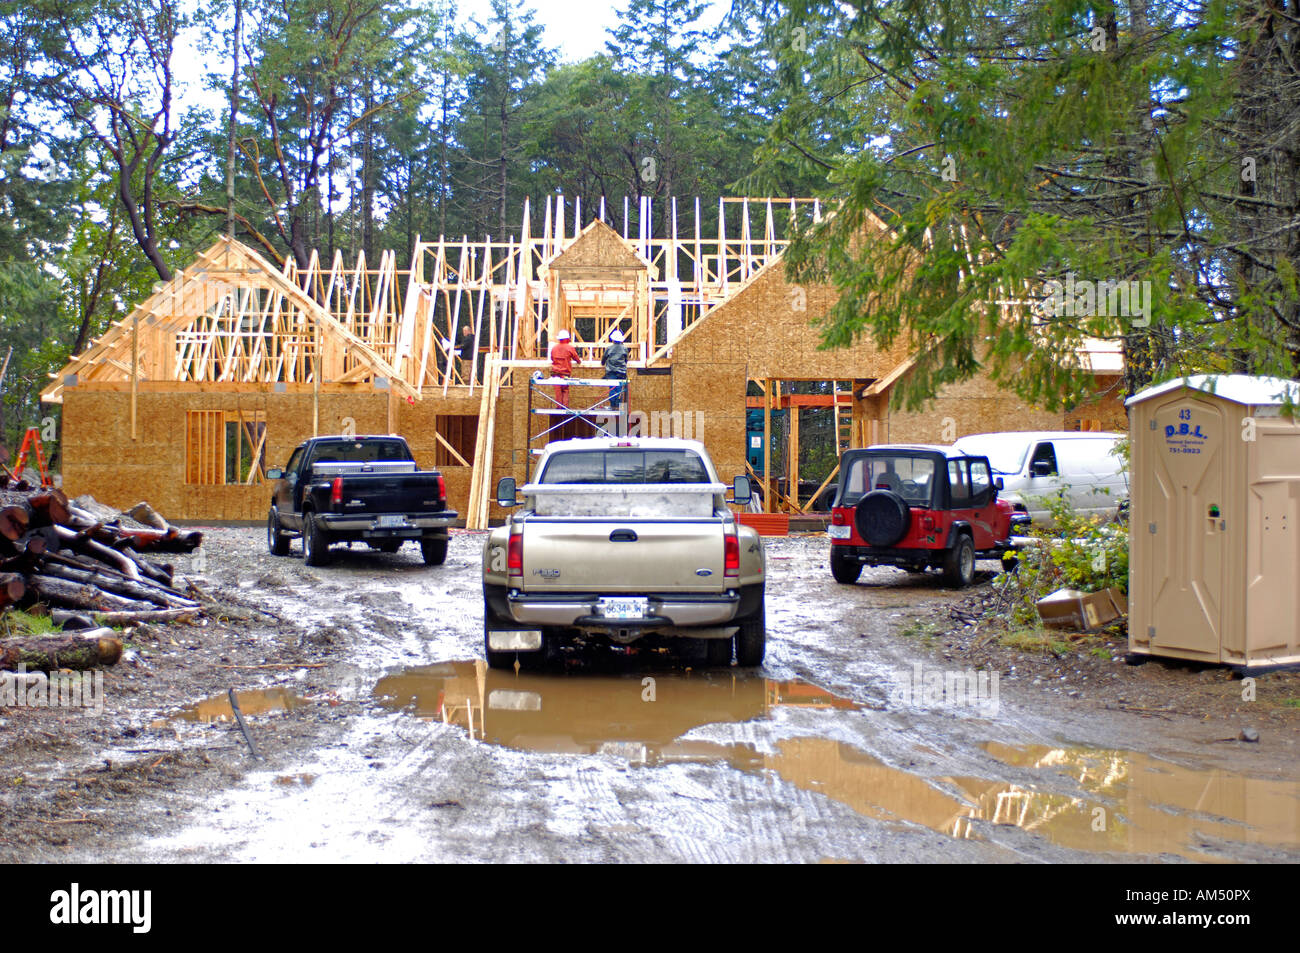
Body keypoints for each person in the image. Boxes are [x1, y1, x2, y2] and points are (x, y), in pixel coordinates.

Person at [548, 329, 581, 407]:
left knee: (558, 393)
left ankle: (558, 410)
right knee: (565, 391)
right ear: (567, 339)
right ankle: (565, 410)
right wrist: (578, 361)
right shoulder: (569, 348)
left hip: (555, 374)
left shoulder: (554, 348)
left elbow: (552, 358)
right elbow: (577, 360)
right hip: (565, 374)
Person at [602, 328, 628, 412]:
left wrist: (603, 363)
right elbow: (626, 359)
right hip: (621, 372)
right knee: (619, 390)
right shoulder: (624, 348)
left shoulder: (609, 348)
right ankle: (618, 406)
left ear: (612, 339)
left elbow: (604, 359)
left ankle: (613, 406)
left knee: (612, 389)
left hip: (611, 372)